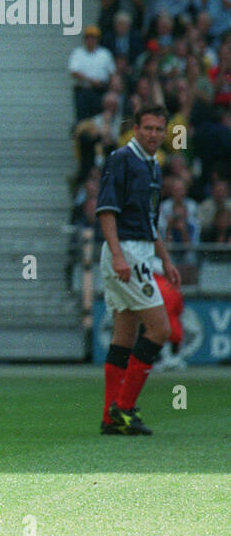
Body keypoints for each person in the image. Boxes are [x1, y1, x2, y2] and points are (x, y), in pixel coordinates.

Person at [95, 104, 180, 435]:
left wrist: (166, 259)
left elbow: (149, 221)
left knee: (125, 335)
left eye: (159, 129)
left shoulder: (153, 166)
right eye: (148, 128)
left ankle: (109, 416)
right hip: (126, 252)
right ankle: (124, 408)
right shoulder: (121, 159)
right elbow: (106, 211)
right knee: (160, 330)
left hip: (140, 251)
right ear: (136, 128)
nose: (154, 135)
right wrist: (118, 256)